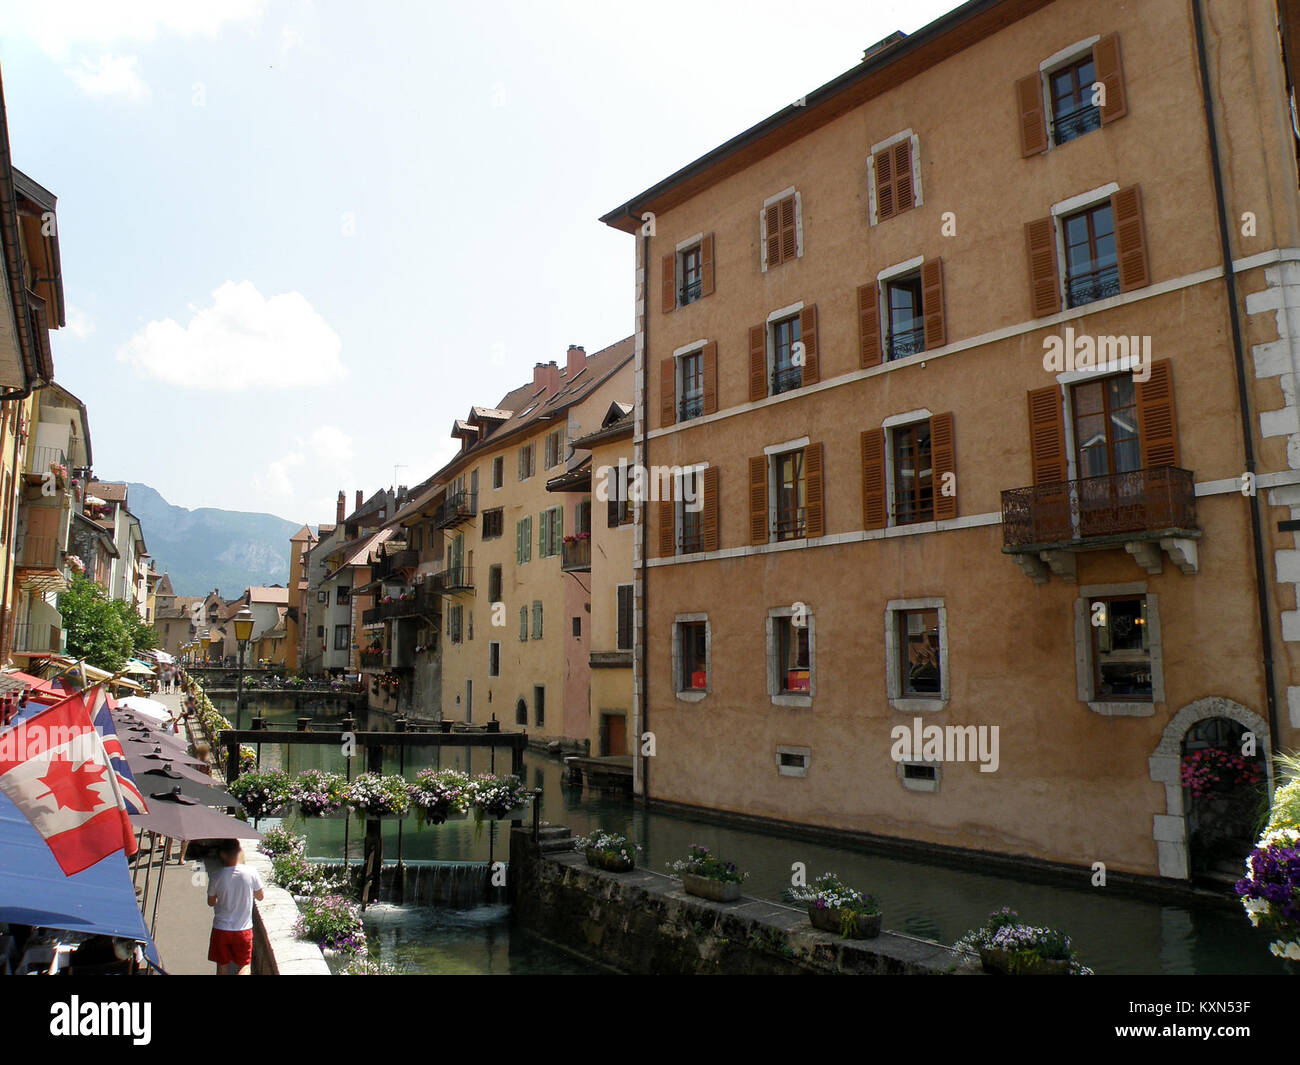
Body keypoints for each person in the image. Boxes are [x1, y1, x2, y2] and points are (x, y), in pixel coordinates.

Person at [206, 839, 263, 975]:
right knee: (244, 965)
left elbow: (211, 902)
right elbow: (260, 896)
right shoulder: (251, 872)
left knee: (222, 965)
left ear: (223, 855)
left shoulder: (216, 875)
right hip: (243, 929)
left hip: (221, 928)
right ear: (240, 852)